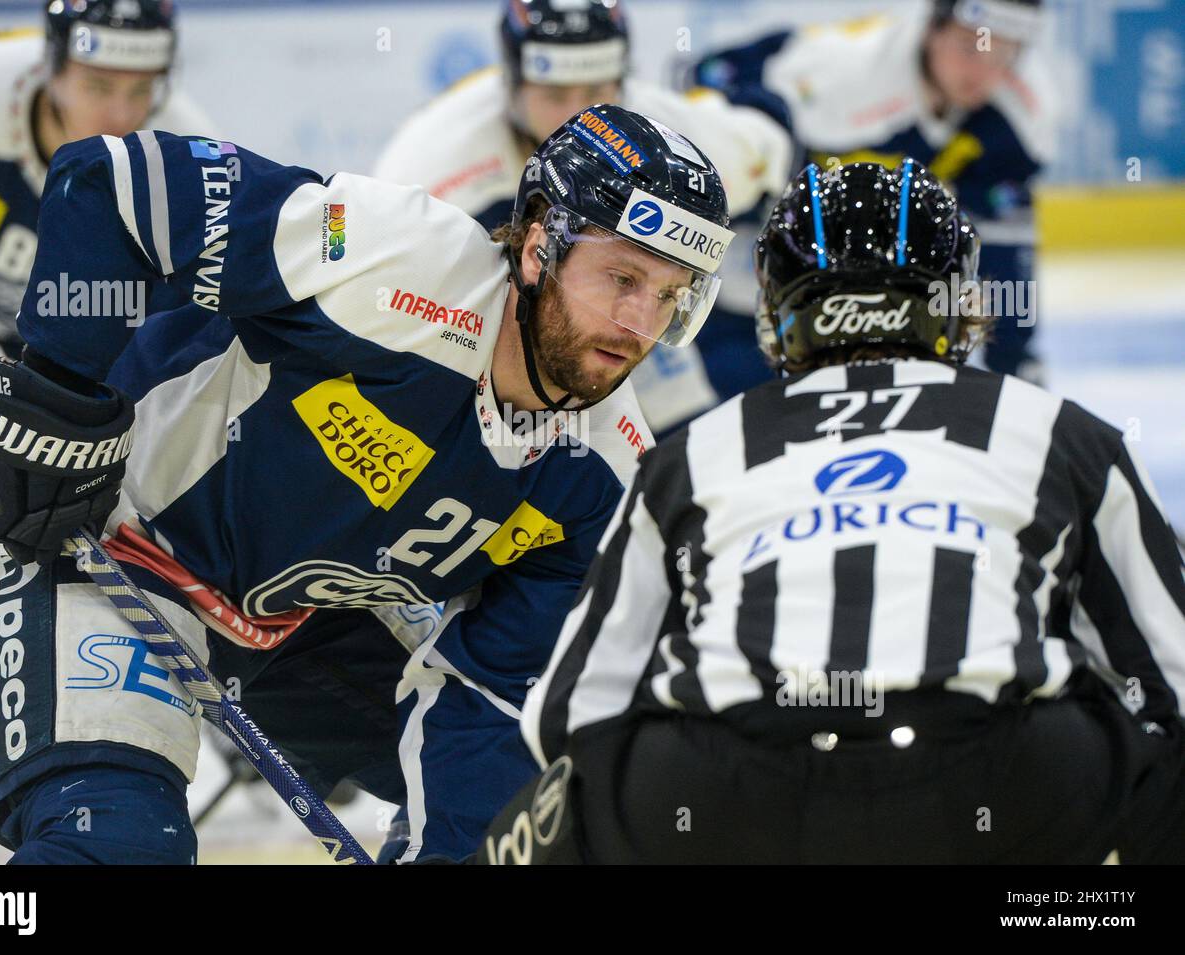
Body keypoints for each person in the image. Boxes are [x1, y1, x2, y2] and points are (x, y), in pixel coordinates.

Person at [0, 103, 735, 863]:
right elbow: (114, 184)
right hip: (95, 533)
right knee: (115, 842)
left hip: (301, 615)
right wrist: (58, 394)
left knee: (546, 816)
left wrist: (455, 852)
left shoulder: (604, 471)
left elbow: (497, 695)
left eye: (669, 295)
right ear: (537, 245)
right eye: (622, 278)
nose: (641, 324)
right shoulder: (391, 262)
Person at [496, 160, 1185, 864]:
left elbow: (569, 712)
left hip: (729, 791)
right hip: (1001, 782)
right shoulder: (1064, 433)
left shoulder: (693, 452)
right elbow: (1171, 681)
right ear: (957, 299)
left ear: (777, 306)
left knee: (542, 821)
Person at [373, 0, 790, 434]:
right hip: (481, 298)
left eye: (595, 92)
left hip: (611, 299)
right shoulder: (435, 155)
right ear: (512, 85)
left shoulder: (670, 137)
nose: (573, 111)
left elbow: (771, 146)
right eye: (554, 95)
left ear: (623, 82)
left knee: (680, 430)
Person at [0, 0, 213, 521]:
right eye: (99, 86)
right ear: (52, 69)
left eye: (141, 88)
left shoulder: (183, 157)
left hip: (60, 326)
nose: (121, 115)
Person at [682, 0, 1054, 412]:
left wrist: (1016, 363)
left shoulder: (1016, 115)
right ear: (932, 28)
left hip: (837, 255)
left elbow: (1004, 248)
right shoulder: (845, 77)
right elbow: (711, 78)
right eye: (969, 47)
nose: (984, 74)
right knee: (738, 396)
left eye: (1005, 55)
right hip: (750, 237)